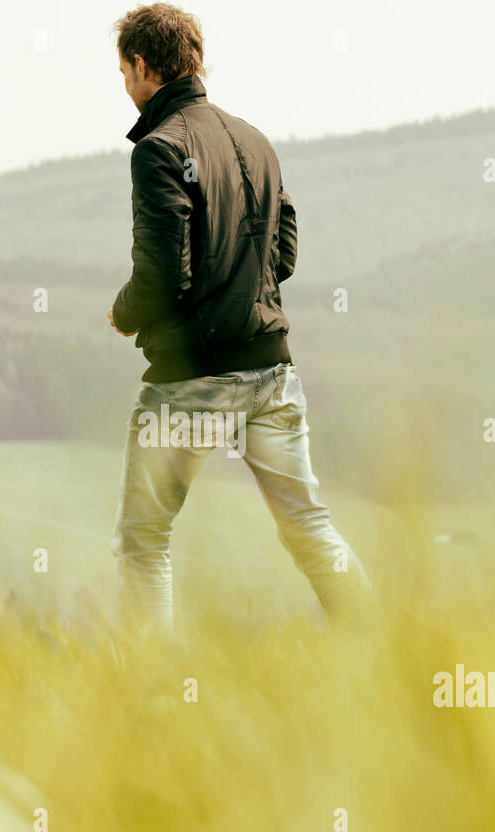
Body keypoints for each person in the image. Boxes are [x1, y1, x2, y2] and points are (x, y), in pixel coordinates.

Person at [107, 3, 374, 633]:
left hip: (191, 381)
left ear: (144, 66)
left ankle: (152, 691)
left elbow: (165, 275)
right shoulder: (255, 139)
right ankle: (376, 646)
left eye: (123, 72)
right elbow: (282, 254)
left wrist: (122, 313)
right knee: (308, 524)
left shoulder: (158, 150)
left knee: (145, 537)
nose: (124, 86)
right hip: (273, 372)